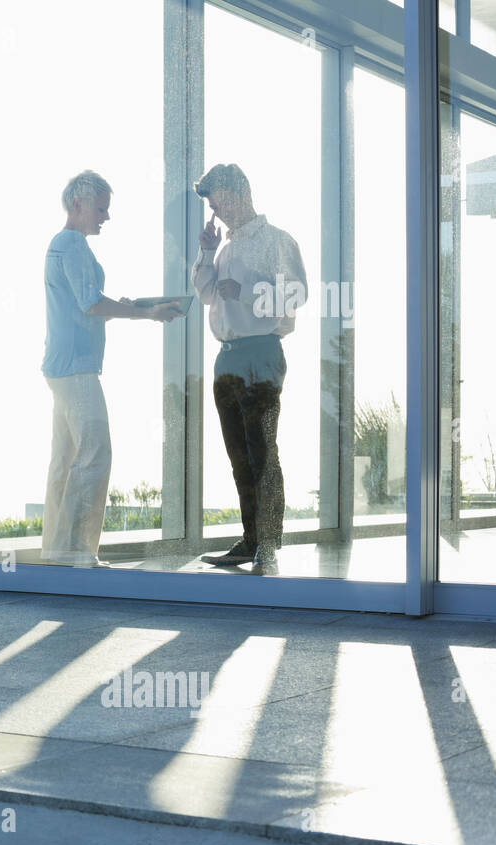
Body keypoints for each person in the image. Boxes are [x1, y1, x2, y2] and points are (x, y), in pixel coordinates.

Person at [41, 171, 181, 568]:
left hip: (61, 365)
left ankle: (55, 551)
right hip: (77, 369)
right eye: (101, 209)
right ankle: (76, 551)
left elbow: (86, 304)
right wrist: (146, 312)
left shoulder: (62, 244)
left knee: (65, 459)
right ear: (77, 205)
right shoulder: (72, 245)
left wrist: (128, 307)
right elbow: (90, 303)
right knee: (95, 454)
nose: (106, 216)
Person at [192, 163, 307, 576]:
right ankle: (252, 539)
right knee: (238, 455)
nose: (217, 212)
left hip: (261, 353)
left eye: (220, 202)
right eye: (213, 206)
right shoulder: (224, 247)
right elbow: (206, 295)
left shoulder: (276, 241)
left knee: (262, 452)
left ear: (239, 194)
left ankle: (269, 544)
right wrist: (206, 251)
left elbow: (296, 296)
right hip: (228, 356)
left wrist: (244, 292)